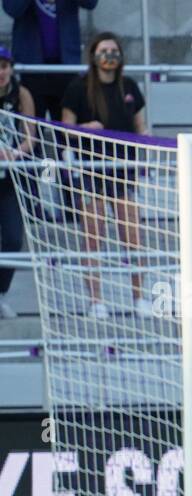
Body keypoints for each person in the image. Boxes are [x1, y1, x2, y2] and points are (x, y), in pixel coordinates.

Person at [59, 31, 149, 320]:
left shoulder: (130, 86)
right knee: (93, 238)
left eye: (113, 51)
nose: (109, 55)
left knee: (132, 238)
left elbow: (140, 127)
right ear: (94, 56)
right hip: (91, 172)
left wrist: (147, 142)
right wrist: (86, 128)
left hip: (123, 173)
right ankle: (96, 301)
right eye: (103, 50)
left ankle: (139, 298)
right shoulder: (78, 88)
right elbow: (64, 131)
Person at [3, 0, 98, 122]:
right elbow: (12, 9)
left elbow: (90, 4)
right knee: (32, 127)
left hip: (65, 66)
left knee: (67, 130)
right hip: (31, 67)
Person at [0, 44, 35, 320]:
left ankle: (1, 293)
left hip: (10, 177)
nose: (1, 72)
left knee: (13, 238)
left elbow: (30, 136)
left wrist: (15, 152)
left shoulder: (21, 94)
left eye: (4, 66)